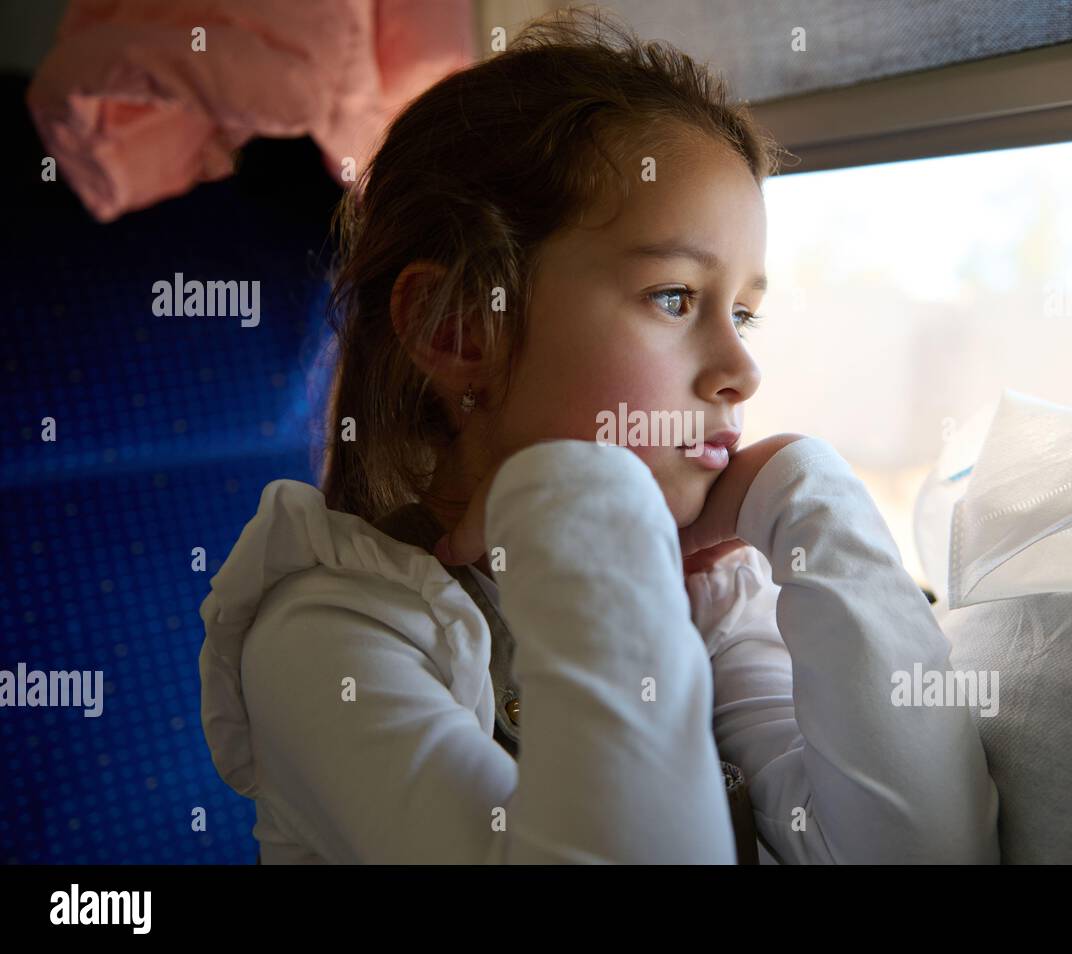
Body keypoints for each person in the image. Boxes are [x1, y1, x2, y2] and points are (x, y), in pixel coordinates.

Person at [198, 7, 1000, 864]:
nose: (741, 368)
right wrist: (584, 509)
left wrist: (809, 497)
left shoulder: (707, 600)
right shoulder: (332, 640)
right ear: (459, 328)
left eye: (745, 315)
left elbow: (927, 853)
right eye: (673, 298)